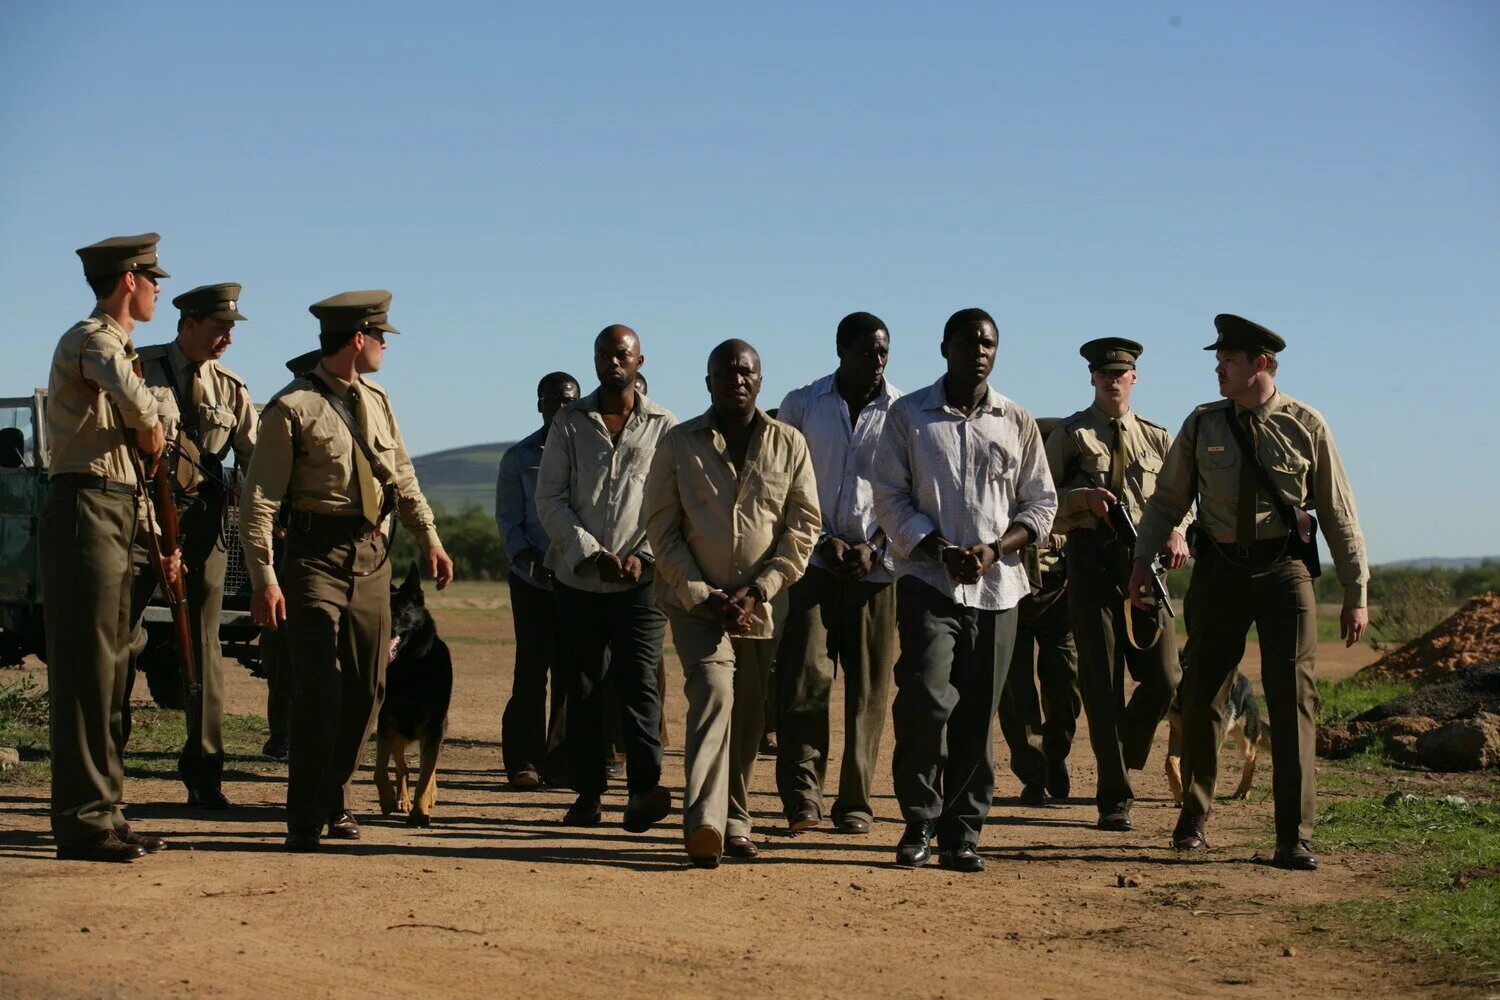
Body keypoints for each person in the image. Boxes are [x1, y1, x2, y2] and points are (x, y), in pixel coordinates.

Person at [1129, 314, 1368, 871]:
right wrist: (1143, 561)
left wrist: (1355, 590)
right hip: (1219, 573)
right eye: (1219, 359)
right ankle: (1192, 819)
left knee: (1294, 701)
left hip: (1285, 572)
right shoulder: (1203, 423)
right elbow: (1166, 501)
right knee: (1202, 697)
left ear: (1261, 363)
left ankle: (1294, 837)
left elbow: (1338, 513)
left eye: (1229, 359)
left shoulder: (1307, 424)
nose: (1218, 367)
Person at [240, 290, 454, 852]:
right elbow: (259, 500)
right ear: (358, 338)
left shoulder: (380, 399)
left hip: (374, 559)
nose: (385, 346)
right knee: (317, 688)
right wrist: (265, 577)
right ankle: (306, 814)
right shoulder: (292, 407)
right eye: (381, 337)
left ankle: (334, 795)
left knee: (367, 688)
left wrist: (429, 537)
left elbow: (401, 475)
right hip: (314, 560)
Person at [872, 308, 1057, 873]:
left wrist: (995, 549)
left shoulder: (1016, 420)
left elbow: (1041, 505)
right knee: (927, 700)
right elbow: (888, 496)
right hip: (929, 580)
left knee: (978, 713)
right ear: (944, 346)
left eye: (990, 343)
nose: (980, 349)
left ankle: (963, 833)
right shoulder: (909, 416)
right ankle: (918, 819)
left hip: (999, 588)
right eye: (969, 340)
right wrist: (938, 550)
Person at [645, 339, 820, 868]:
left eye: (745, 371)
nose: (736, 379)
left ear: (760, 380)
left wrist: (761, 587)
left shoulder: (788, 443)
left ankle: (737, 818)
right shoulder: (679, 444)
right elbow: (661, 527)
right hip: (695, 603)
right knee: (715, 692)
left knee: (748, 716)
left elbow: (803, 526)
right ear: (709, 382)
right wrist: (703, 593)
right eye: (725, 372)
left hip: (762, 604)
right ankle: (703, 822)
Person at [42, 233, 177, 862]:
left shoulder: (121, 349)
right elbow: (136, 407)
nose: (156, 292)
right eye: (153, 282)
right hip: (88, 504)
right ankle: (82, 820)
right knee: (89, 671)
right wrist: (151, 419)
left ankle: (108, 810)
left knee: (116, 667)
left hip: (120, 507)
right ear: (129, 280)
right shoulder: (93, 339)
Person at [536, 325, 676, 831]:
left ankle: (643, 791)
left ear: (640, 360)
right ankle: (588, 794)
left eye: (622, 354)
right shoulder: (571, 423)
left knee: (640, 685)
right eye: (604, 354)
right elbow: (550, 497)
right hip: (580, 581)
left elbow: (671, 504)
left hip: (642, 584)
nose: (612, 362)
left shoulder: (665, 425)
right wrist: (589, 552)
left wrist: (644, 555)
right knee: (585, 686)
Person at [1046, 339, 1187, 831]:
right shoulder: (1069, 434)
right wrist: (1083, 498)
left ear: (1134, 377)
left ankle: (1123, 747)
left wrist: (1177, 530)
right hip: (1091, 562)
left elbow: (1182, 497)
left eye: (1121, 372)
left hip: (1147, 566)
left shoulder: (1157, 438)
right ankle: (1114, 795)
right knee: (1101, 684)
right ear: (1092, 378)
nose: (1112, 380)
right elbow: (1040, 502)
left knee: (1166, 675)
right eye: (1103, 373)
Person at [773, 311, 902, 835]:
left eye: (884, 352)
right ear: (840, 350)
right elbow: (780, 485)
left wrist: (875, 547)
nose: (877, 361)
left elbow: (909, 492)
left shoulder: (904, 411)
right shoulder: (801, 405)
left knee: (868, 695)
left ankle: (856, 802)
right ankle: (804, 797)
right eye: (868, 351)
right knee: (804, 681)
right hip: (812, 567)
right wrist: (825, 543)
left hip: (878, 572)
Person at [130, 283, 259, 809]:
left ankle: (205, 773)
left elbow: (256, 462)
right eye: (219, 328)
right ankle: (105, 767)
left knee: (202, 648)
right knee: (123, 637)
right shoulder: (139, 368)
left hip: (205, 525)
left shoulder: (231, 388)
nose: (227, 339)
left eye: (231, 330)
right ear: (188, 324)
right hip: (138, 520)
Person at [495, 371, 580, 788]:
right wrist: (529, 561)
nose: (562, 408)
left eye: (571, 401)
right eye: (554, 400)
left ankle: (561, 761)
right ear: (540, 404)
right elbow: (509, 520)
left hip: (577, 579)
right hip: (530, 579)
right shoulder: (517, 458)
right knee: (530, 671)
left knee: (570, 672)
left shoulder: (591, 455)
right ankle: (524, 762)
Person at [996, 421, 1079, 807]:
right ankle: (1032, 773)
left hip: (1058, 596)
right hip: (1011, 593)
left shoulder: (1064, 489)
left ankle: (1055, 753)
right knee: (1015, 694)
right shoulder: (1000, 485)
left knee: (1066, 683)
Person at [259, 348, 324, 759]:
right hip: (285, 550)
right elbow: (261, 488)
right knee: (281, 648)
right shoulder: (281, 415)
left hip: (328, 547)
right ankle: (281, 731)